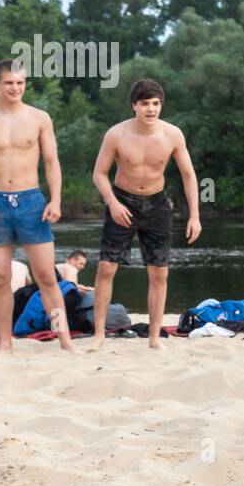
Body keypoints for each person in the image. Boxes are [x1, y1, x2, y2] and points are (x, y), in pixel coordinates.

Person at [0, 58, 73, 353]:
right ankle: (5, 343)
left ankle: (65, 339)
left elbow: (52, 162)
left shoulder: (39, 118)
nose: (15, 88)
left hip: (31, 202)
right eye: (9, 82)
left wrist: (56, 199)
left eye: (20, 83)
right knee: (0, 278)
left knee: (47, 276)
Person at [88, 79, 201, 350]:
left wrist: (194, 215)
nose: (151, 109)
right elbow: (99, 173)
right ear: (134, 106)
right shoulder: (116, 134)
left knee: (159, 273)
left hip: (157, 206)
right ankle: (99, 335)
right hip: (122, 202)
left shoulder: (173, 134)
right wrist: (113, 203)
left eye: (155, 103)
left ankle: (153, 338)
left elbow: (188, 175)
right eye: (145, 104)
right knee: (106, 268)